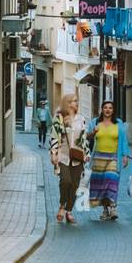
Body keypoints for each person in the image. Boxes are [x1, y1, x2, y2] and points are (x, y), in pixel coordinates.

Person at [49, 93, 89, 225]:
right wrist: (54, 153)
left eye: (77, 101)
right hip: (64, 155)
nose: (76, 103)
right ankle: (62, 205)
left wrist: (86, 153)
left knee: (75, 185)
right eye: (74, 101)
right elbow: (54, 136)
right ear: (67, 103)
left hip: (77, 156)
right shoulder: (59, 118)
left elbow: (84, 139)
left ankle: (69, 211)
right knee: (66, 181)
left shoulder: (81, 119)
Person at [85, 100, 128, 221]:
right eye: (105, 108)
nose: (108, 110)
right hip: (98, 158)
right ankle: (105, 209)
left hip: (114, 157)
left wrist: (125, 155)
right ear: (102, 109)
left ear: (113, 110)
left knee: (111, 181)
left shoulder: (119, 124)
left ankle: (113, 207)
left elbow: (124, 140)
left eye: (110, 108)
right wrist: (93, 132)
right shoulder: (95, 122)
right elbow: (86, 138)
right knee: (101, 185)